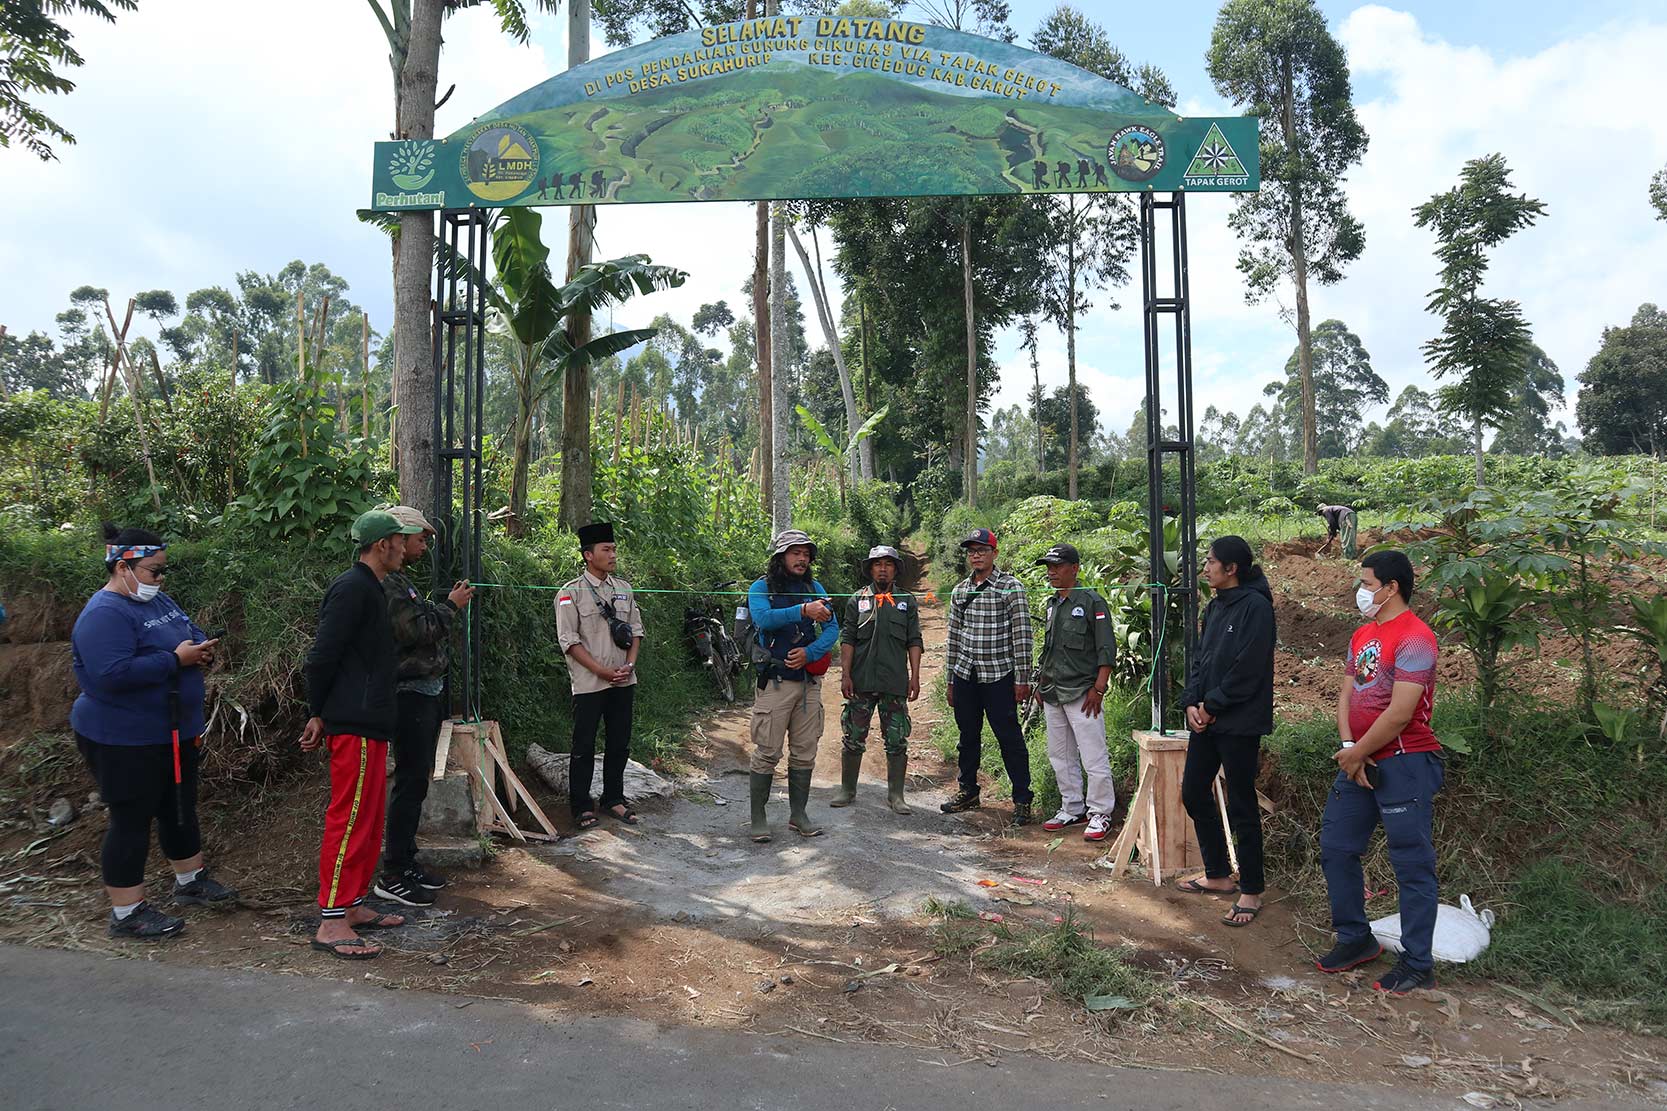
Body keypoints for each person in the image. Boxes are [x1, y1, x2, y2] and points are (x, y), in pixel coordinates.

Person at [70, 524, 237, 939]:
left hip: (172, 731)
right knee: (131, 820)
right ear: (122, 566)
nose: (160, 579)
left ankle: (189, 881)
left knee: (178, 807)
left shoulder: (156, 599)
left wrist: (201, 648)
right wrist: (174, 661)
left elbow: (187, 632)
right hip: (123, 737)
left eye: (163, 571)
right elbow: (109, 675)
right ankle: (127, 913)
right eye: (153, 571)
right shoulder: (104, 614)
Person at [1317, 549, 1445, 995]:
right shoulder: (1362, 635)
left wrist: (1359, 753)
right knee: (1336, 846)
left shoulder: (1416, 637)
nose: (1362, 591)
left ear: (1392, 588)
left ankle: (1417, 963)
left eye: (1368, 584)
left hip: (1404, 761)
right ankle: (1355, 939)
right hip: (1360, 759)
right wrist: (1350, 747)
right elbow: (1347, 694)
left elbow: (1401, 712)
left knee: (1411, 863)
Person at [300, 509, 421, 960]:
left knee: (368, 822)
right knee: (348, 819)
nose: (404, 548)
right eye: (399, 540)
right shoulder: (352, 588)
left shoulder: (371, 588)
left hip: (370, 722)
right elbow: (322, 655)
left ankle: (351, 905)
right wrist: (318, 712)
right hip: (353, 722)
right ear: (382, 544)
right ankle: (331, 921)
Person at [372, 505, 475, 908]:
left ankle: (406, 860)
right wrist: (451, 606)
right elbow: (415, 631)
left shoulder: (401, 583)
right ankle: (393, 871)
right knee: (409, 782)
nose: (422, 546)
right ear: (395, 540)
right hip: (409, 694)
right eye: (420, 539)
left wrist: (441, 608)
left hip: (425, 693)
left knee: (416, 782)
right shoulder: (389, 587)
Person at [1175, 535, 1276, 927]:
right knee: (1193, 792)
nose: (1206, 567)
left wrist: (1212, 706)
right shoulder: (1215, 607)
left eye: (1212, 562)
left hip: (1238, 723)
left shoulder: (1256, 609)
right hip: (1207, 718)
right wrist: (1190, 702)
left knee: (1241, 803)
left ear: (1232, 568)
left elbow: (1248, 671)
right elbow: (1200, 660)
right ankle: (1217, 874)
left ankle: (1251, 888)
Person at [746, 529, 839, 842]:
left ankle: (798, 814)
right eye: (795, 552)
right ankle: (758, 816)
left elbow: (832, 628)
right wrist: (802, 610)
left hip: (809, 684)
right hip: (775, 684)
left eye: (806, 553)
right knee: (767, 751)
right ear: (780, 556)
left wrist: (810, 653)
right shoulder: (761, 588)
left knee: (805, 751)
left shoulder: (815, 587)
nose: (802, 558)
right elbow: (763, 619)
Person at [942, 528, 1036, 826]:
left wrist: (1023, 679)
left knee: (1009, 737)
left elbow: (1022, 636)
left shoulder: (1011, 588)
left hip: (999, 675)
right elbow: (953, 638)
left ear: (995, 553)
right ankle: (968, 790)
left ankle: (1022, 799)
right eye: (971, 550)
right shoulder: (960, 590)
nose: (976, 555)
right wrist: (950, 680)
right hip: (966, 674)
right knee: (967, 736)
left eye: (982, 549)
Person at [555, 522, 645, 829]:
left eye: (614, 549)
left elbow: (635, 632)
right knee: (584, 745)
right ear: (588, 555)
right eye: (606, 549)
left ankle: (613, 799)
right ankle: (581, 806)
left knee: (619, 742)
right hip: (590, 683)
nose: (612, 554)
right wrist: (601, 670)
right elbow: (569, 641)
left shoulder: (624, 589)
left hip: (623, 680)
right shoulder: (570, 593)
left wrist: (629, 666)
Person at [1032, 543, 1117, 842]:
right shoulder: (1053, 604)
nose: (1052, 572)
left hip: (1083, 692)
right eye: (1049, 567)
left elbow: (1106, 648)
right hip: (1053, 690)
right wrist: (1041, 683)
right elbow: (1050, 649)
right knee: (1060, 755)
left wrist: (1099, 688)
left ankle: (1100, 812)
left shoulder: (1092, 602)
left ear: (1075, 569)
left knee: (1093, 756)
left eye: (1058, 566)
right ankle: (1072, 807)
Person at [833, 545, 923, 815]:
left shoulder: (906, 601)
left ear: (895, 569)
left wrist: (915, 676)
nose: (882, 568)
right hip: (861, 681)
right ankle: (847, 790)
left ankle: (896, 795)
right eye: (877, 564)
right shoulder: (856, 600)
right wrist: (845, 674)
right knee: (853, 736)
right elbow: (848, 638)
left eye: (888, 564)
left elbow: (914, 640)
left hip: (894, 682)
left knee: (896, 740)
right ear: (870, 569)